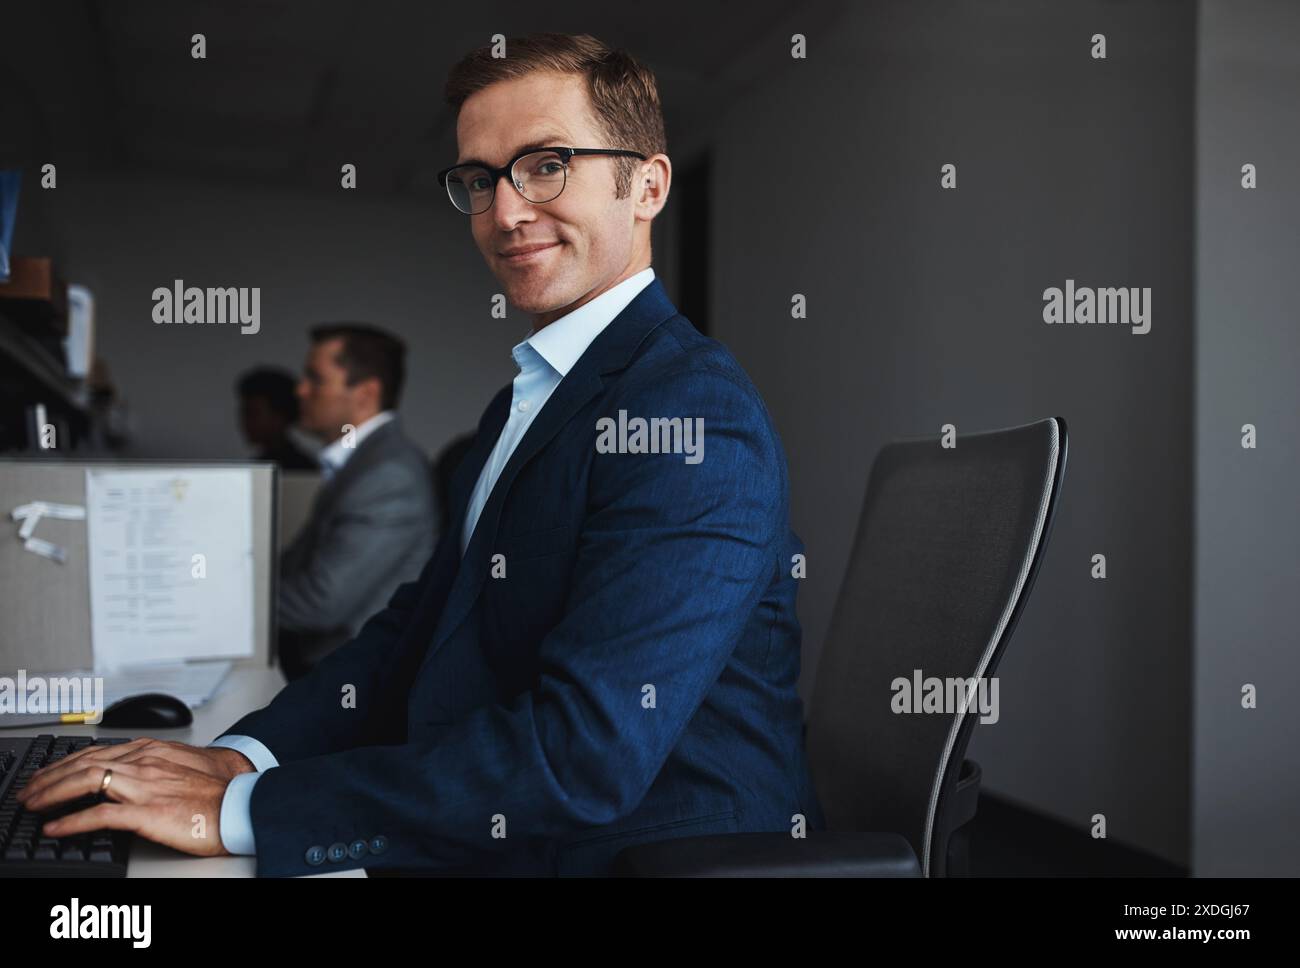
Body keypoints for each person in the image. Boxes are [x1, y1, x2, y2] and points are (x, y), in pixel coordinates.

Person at [18, 32, 824, 876]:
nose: (505, 211)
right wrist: (242, 759)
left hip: (642, 852)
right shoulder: (529, 396)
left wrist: (248, 813)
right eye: (481, 178)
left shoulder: (689, 413)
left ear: (647, 185)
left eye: (547, 164)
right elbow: (417, 630)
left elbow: (583, 756)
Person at [273, 323, 436, 680]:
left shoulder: (389, 474)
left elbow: (321, 602)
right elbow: (296, 567)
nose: (300, 390)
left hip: (349, 684)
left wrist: (222, 603)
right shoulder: (361, 463)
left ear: (365, 394)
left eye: (315, 379)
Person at [235, 367, 317, 470]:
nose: (245, 421)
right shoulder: (263, 464)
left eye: (253, 413)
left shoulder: (298, 469)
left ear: (279, 417)